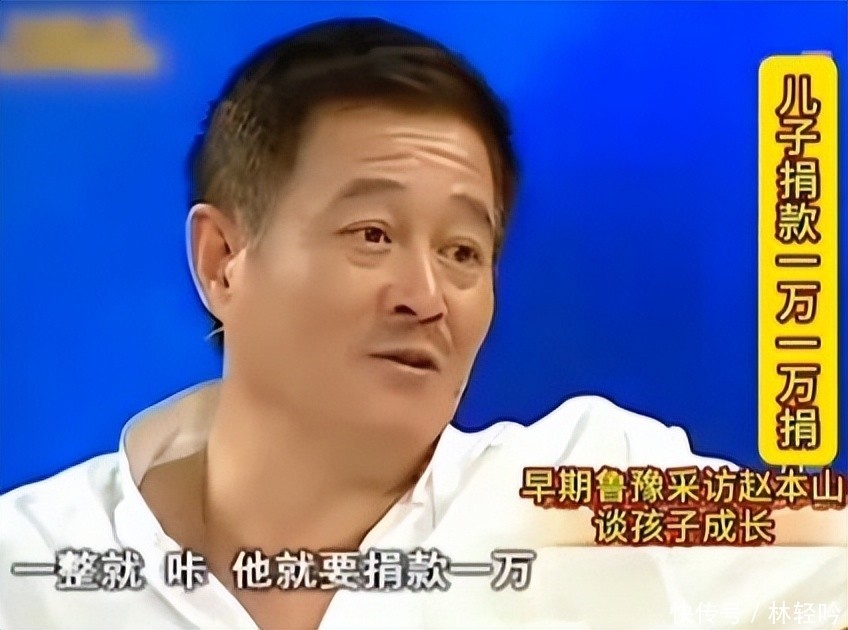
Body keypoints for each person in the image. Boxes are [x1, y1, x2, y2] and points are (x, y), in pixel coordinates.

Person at [0, 17, 844, 630]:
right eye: (372, 234)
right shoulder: (27, 568)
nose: (426, 296)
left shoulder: (594, 492)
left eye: (464, 252)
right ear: (224, 260)